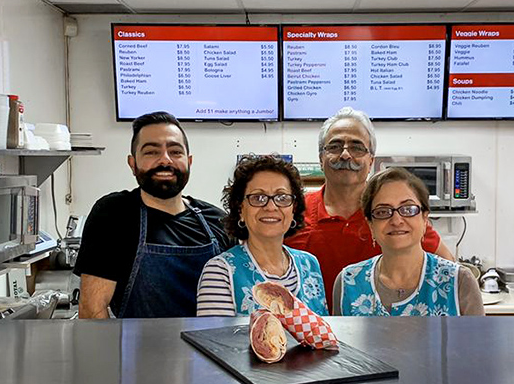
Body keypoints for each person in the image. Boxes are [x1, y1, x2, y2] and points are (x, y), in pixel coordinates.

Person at [285, 106, 453, 308]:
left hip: (382, 330)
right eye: (335, 147)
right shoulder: (293, 212)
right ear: (321, 159)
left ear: (371, 160)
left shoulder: (393, 215)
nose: (345, 155)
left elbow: (448, 269)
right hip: (308, 333)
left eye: (357, 147)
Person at [76, 111, 231, 318]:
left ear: (189, 161)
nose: (165, 160)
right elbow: (92, 310)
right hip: (139, 350)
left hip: (209, 348)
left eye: (175, 152)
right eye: (151, 152)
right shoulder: (114, 214)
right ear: (133, 164)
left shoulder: (217, 221)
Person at [333, 166, 484, 316]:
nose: (397, 220)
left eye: (408, 209)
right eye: (383, 212)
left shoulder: (459, 281)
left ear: (425, 219)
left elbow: (478, 340)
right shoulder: (348, 282)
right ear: (371, 225)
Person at [197, 154, 327, 316]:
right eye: (258, 197)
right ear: (240, 209)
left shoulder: (310, 264)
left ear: (293, 209)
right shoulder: (220, 271)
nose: (271, 207)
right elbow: (215, 341)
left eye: (281, 197)